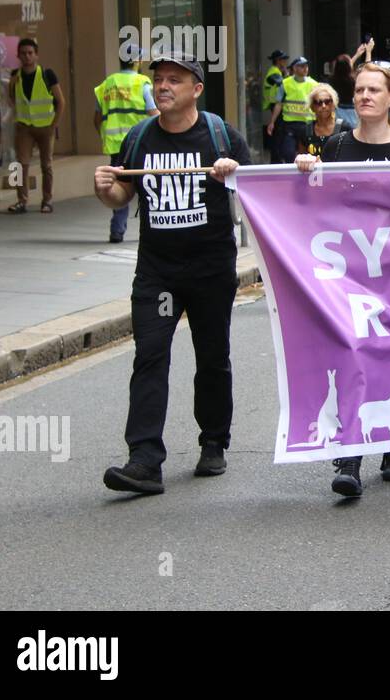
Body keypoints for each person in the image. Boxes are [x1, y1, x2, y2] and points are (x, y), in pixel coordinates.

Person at [96, 54, 252, 495]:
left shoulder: (221, 135)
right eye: (158, 80)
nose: (163, 87)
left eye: (174, 80)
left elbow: (256, 189)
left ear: (196, 89)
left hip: (210, 270)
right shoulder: (139, 136)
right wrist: (106, 191)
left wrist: (232, 173)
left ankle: (214, 441)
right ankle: (144, 460)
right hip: (157, 273)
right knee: (149, 355)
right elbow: (121, 193)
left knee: (212, 356)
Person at [293, 63, 390, 497]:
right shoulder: (335, 146)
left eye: (375, 90)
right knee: (352, 354)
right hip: (350, 274)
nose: (365, 97)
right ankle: (349, 454)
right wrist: (301, 170)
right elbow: (313, 204)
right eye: (358, 90)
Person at [94, 48, 159, 241]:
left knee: (120, 187)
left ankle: (117, 230)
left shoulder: (107, 84)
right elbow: (155, 114)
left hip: (116, 147)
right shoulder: (142, 84)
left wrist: (106, 136)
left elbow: (97, 119)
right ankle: (153, 228)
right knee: (149, 185)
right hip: (141, 145)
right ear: (137, 61)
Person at [7, 38, 66, 214]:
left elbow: (61, 101)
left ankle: (47, 200)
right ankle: (21, 201)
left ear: (36, 55)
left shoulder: (47, 75)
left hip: (45, 126)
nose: (27, 56)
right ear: (18, 55)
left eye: (30, 53)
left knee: (46, 165)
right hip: (24, 126)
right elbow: (12, 98)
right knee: (19, 164)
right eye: (23, 53)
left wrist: (54, 125)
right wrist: (12, 83)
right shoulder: (15, 75)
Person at [266, 56, 316, 163]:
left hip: (307, 124)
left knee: (310, 154)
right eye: (302, 66)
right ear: (294, 68)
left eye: (306, 66)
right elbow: (279, 104)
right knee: (288, 153)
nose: (305, 68)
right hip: (290, 125)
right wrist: (272, 122)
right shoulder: (285, 83)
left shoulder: (313, 84)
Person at [261, 50, 289, 159]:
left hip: (276, 105)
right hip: (275, 105)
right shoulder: (274, 72)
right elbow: (283, 84)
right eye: (284, 59)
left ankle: (277, 158)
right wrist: (286, 74)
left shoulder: (276, 71)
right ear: (278, 60)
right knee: (277, 134)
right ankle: (276, 159)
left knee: (279, 133)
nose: (286, 62)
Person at [304, 83, 345, 156]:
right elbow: (301, 156)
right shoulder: (306, 129)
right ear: (312, 107)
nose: (323, 106)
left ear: (333, 104)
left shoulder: (345, 129)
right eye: (318, 102)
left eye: (327, 102)